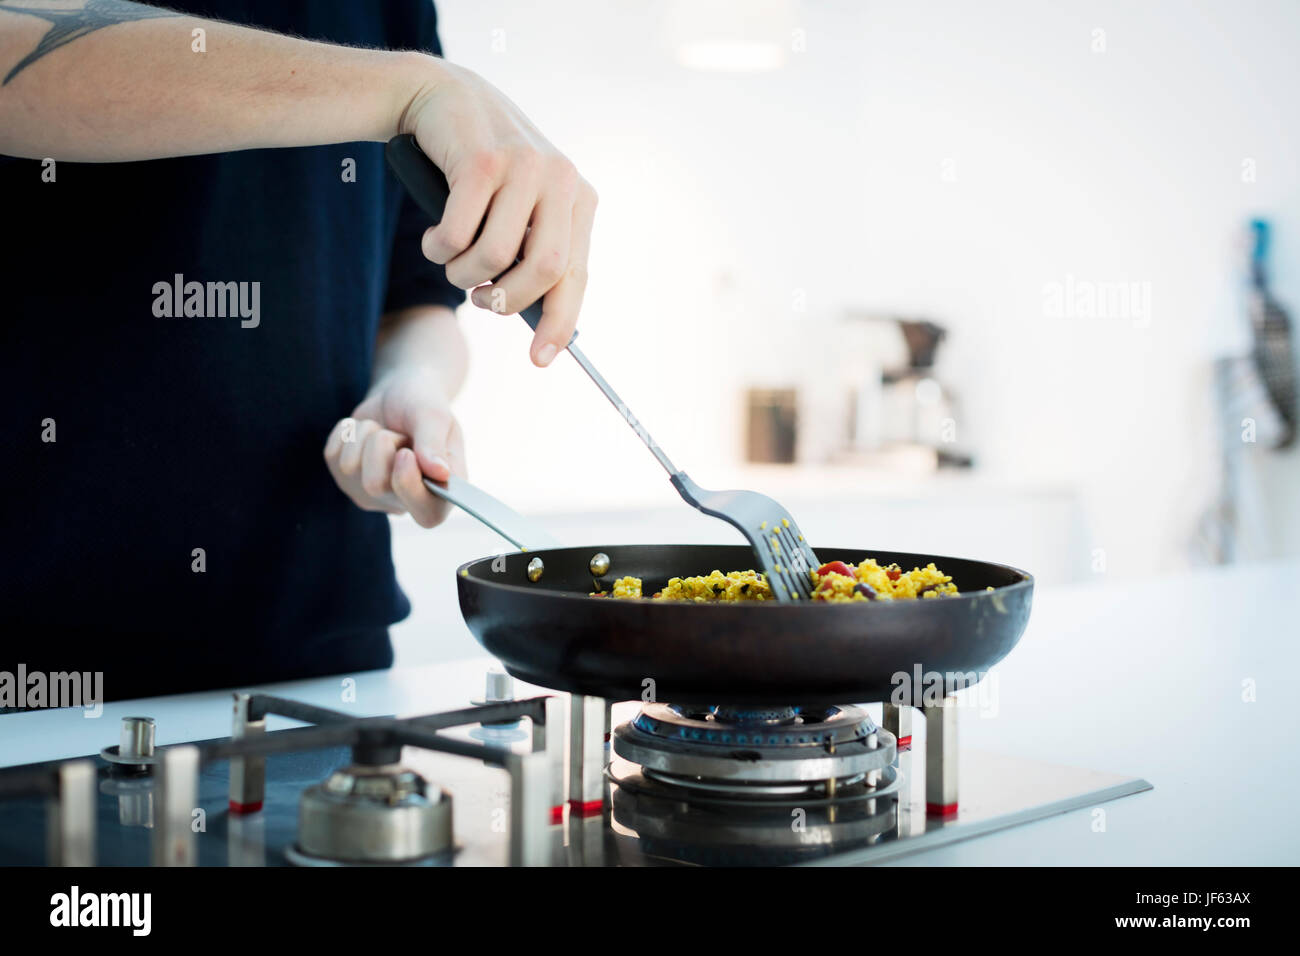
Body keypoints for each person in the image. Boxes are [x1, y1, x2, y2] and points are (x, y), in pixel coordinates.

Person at [0, 0, 597, 702]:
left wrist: (409, 385)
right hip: (34, 662)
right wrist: (408, 90)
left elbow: (413, 297)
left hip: (320, 657)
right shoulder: (410, 79)